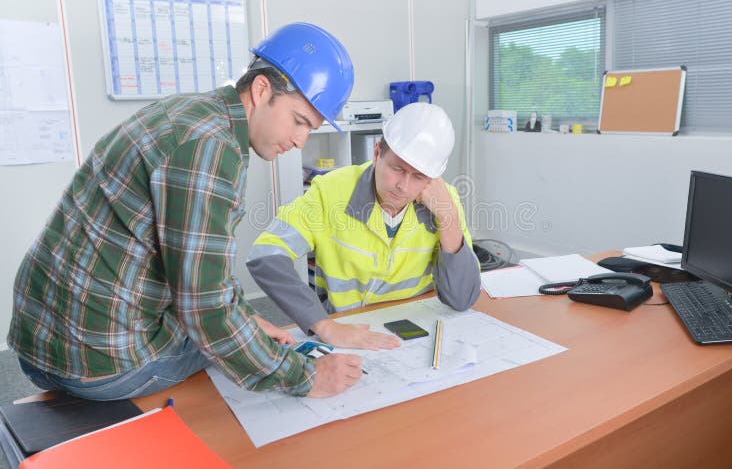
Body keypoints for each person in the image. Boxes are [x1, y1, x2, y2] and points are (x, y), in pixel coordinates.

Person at [8, 22, 365, 401]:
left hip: (42, 336)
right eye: (299, 121)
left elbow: (196, 266)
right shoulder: (209, 149)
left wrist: (245, 318)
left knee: (239, 333)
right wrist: (302, 376)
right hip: (96, 360)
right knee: (236, 351)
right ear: (262, 90)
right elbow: (205, 309)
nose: (299, 141)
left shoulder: (194, 113)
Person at [247, 102, 481, 350]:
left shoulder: (445, 201)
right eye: (397, 169)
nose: (403, 186)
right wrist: (324, 326)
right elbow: (265, 255)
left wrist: (448, 218)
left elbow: (462, 299)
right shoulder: (331, 191)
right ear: (377, 152)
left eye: (419, 177)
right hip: (348, 331)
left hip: (419, 333)